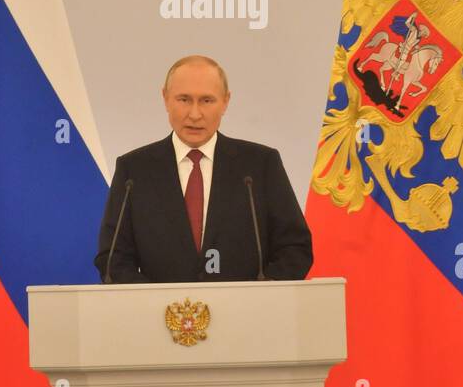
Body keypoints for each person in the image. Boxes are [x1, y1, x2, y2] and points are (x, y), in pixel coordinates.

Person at [94, 55, 313, 283]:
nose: (195, 114)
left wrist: (257, 297)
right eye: (184, 100)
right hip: (162, 316)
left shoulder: (260, 165)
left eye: (207, 101)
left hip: (246, 315)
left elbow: (295, 248)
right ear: (165, 98)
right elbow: (112, 258)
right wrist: (155, 304)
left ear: (226, 102)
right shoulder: (134, 170)